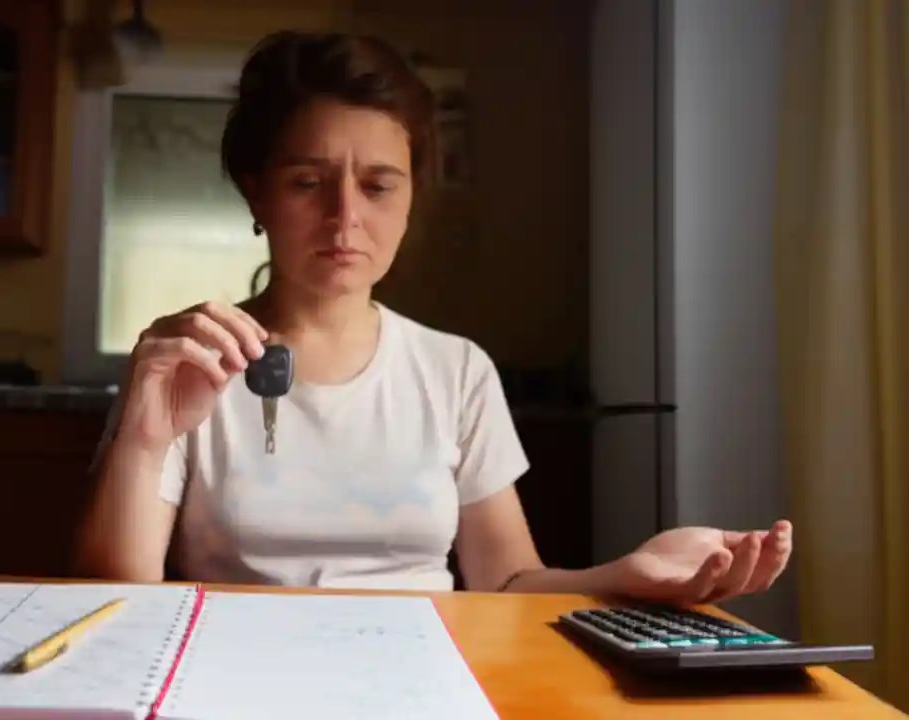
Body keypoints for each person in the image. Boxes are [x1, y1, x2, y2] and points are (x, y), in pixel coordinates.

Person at [76, 30, 792, 604]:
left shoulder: (455, 370)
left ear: (413, 193)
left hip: (429, 680)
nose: (345, 218)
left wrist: (628, 574)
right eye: (306, 183)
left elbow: (508, 583)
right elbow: (113, 603)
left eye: (378, 185)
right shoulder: (185, 365)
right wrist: (143, 437)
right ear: (256, 194)